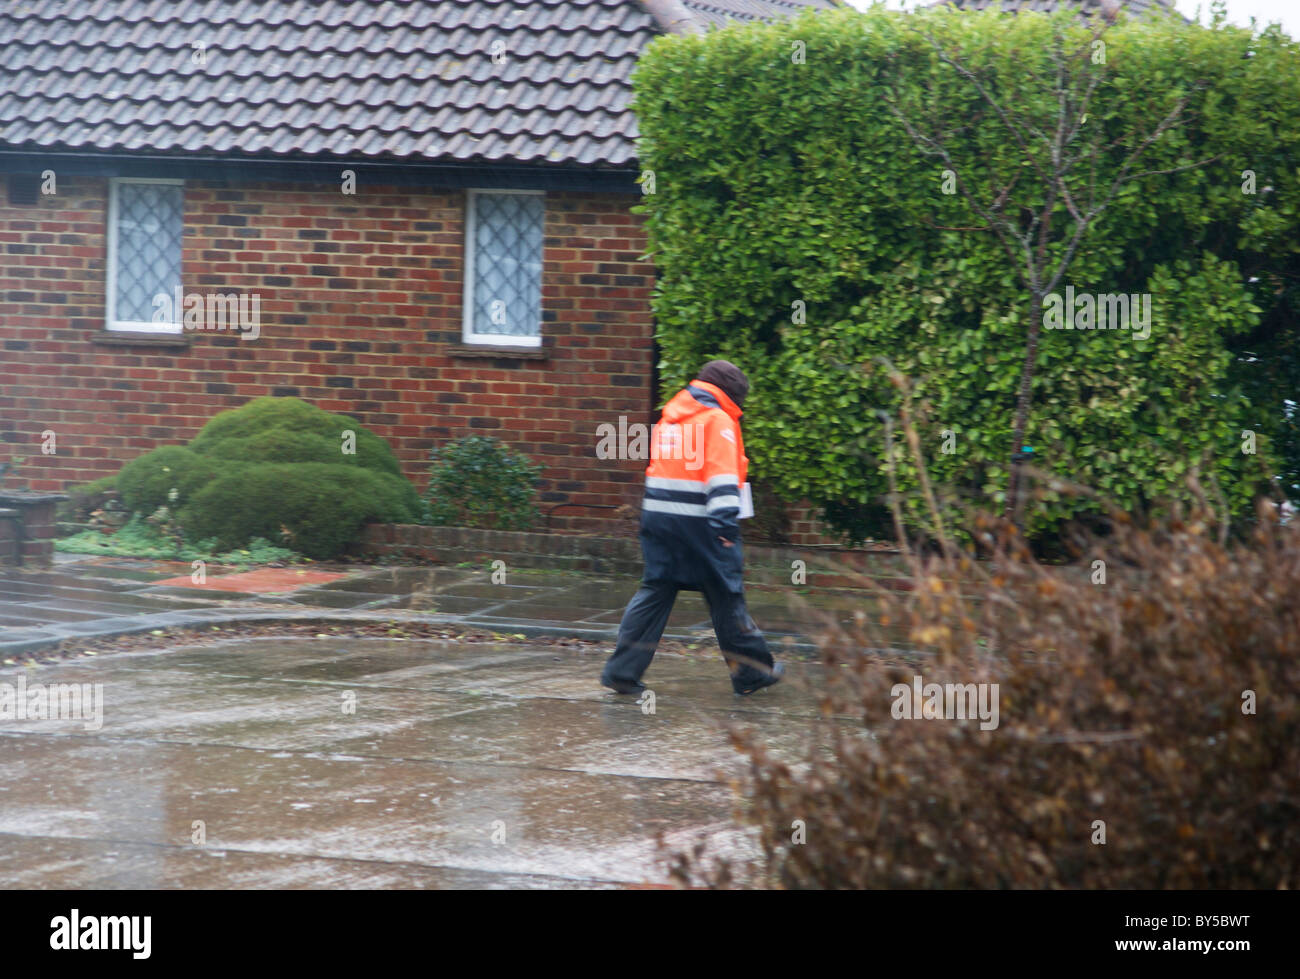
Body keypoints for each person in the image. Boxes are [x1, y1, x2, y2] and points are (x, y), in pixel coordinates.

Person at [600, 360, 784, 696]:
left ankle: (622, 672)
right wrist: (726, 531)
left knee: (656, 590)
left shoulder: (671, 418)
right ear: (732, 396)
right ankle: (752, 673)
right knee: (726, 595)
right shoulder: (719, 420)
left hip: (659, 518)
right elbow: (723, 481)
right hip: (700, 524)